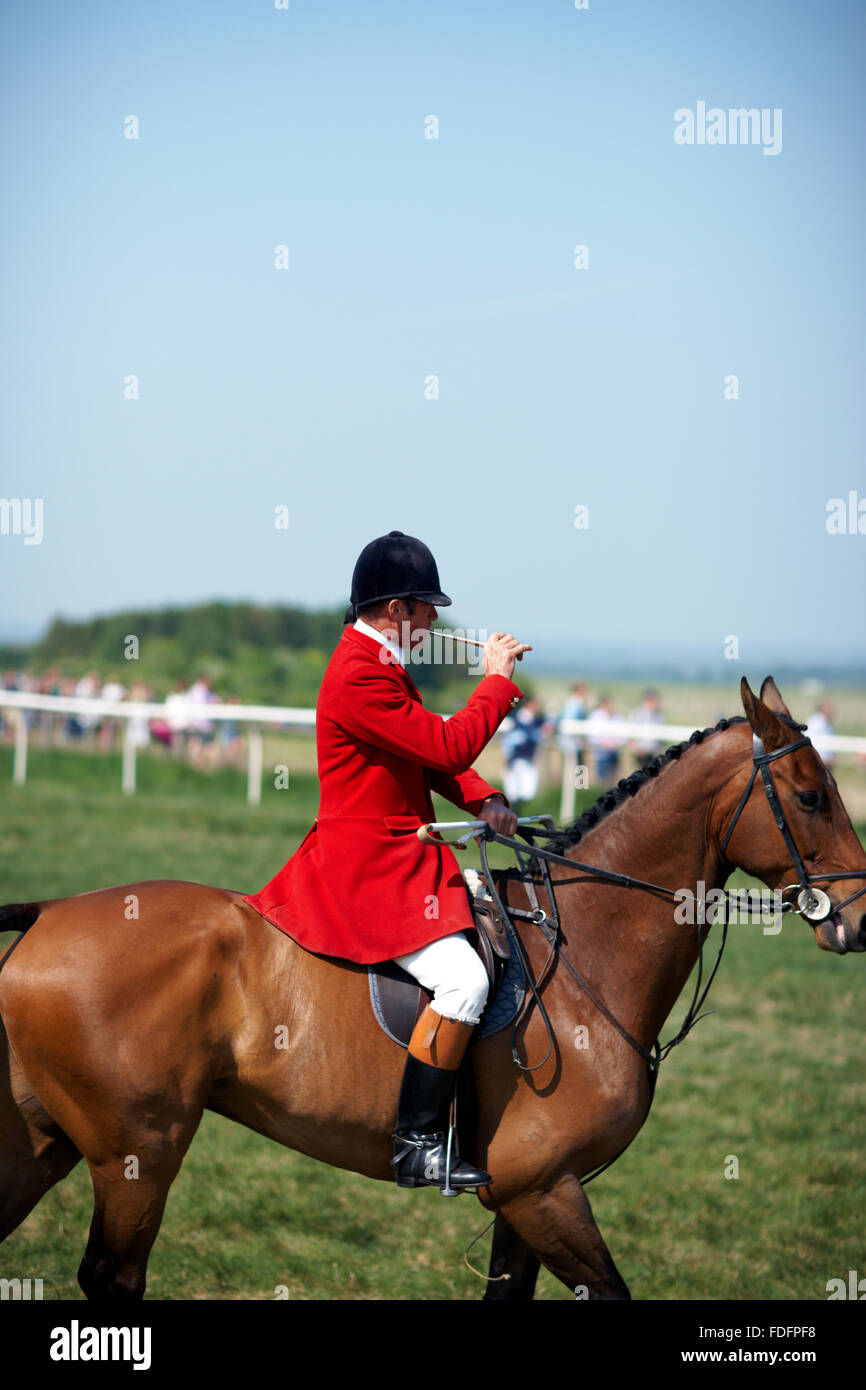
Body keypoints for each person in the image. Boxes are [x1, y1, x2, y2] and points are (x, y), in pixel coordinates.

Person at [243, 530, 530, 1192]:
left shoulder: (381, 667)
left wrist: (484, 800)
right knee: (465, 982)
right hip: (366, 865)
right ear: (396, 609)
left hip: (397, 854)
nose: (433, 620)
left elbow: (423, 758)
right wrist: (494, 683)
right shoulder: (357, 673)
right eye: (427, 608)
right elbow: (448, 744)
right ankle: (418, 1144)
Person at [499, 695, 549, 814]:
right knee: (515, 792)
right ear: (529, 704)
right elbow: (508, 743)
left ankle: (514, 814)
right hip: (516, 761)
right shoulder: (515, 720)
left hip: (528, 761)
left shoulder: (536, 721)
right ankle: (511, 815)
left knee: (527, 793)